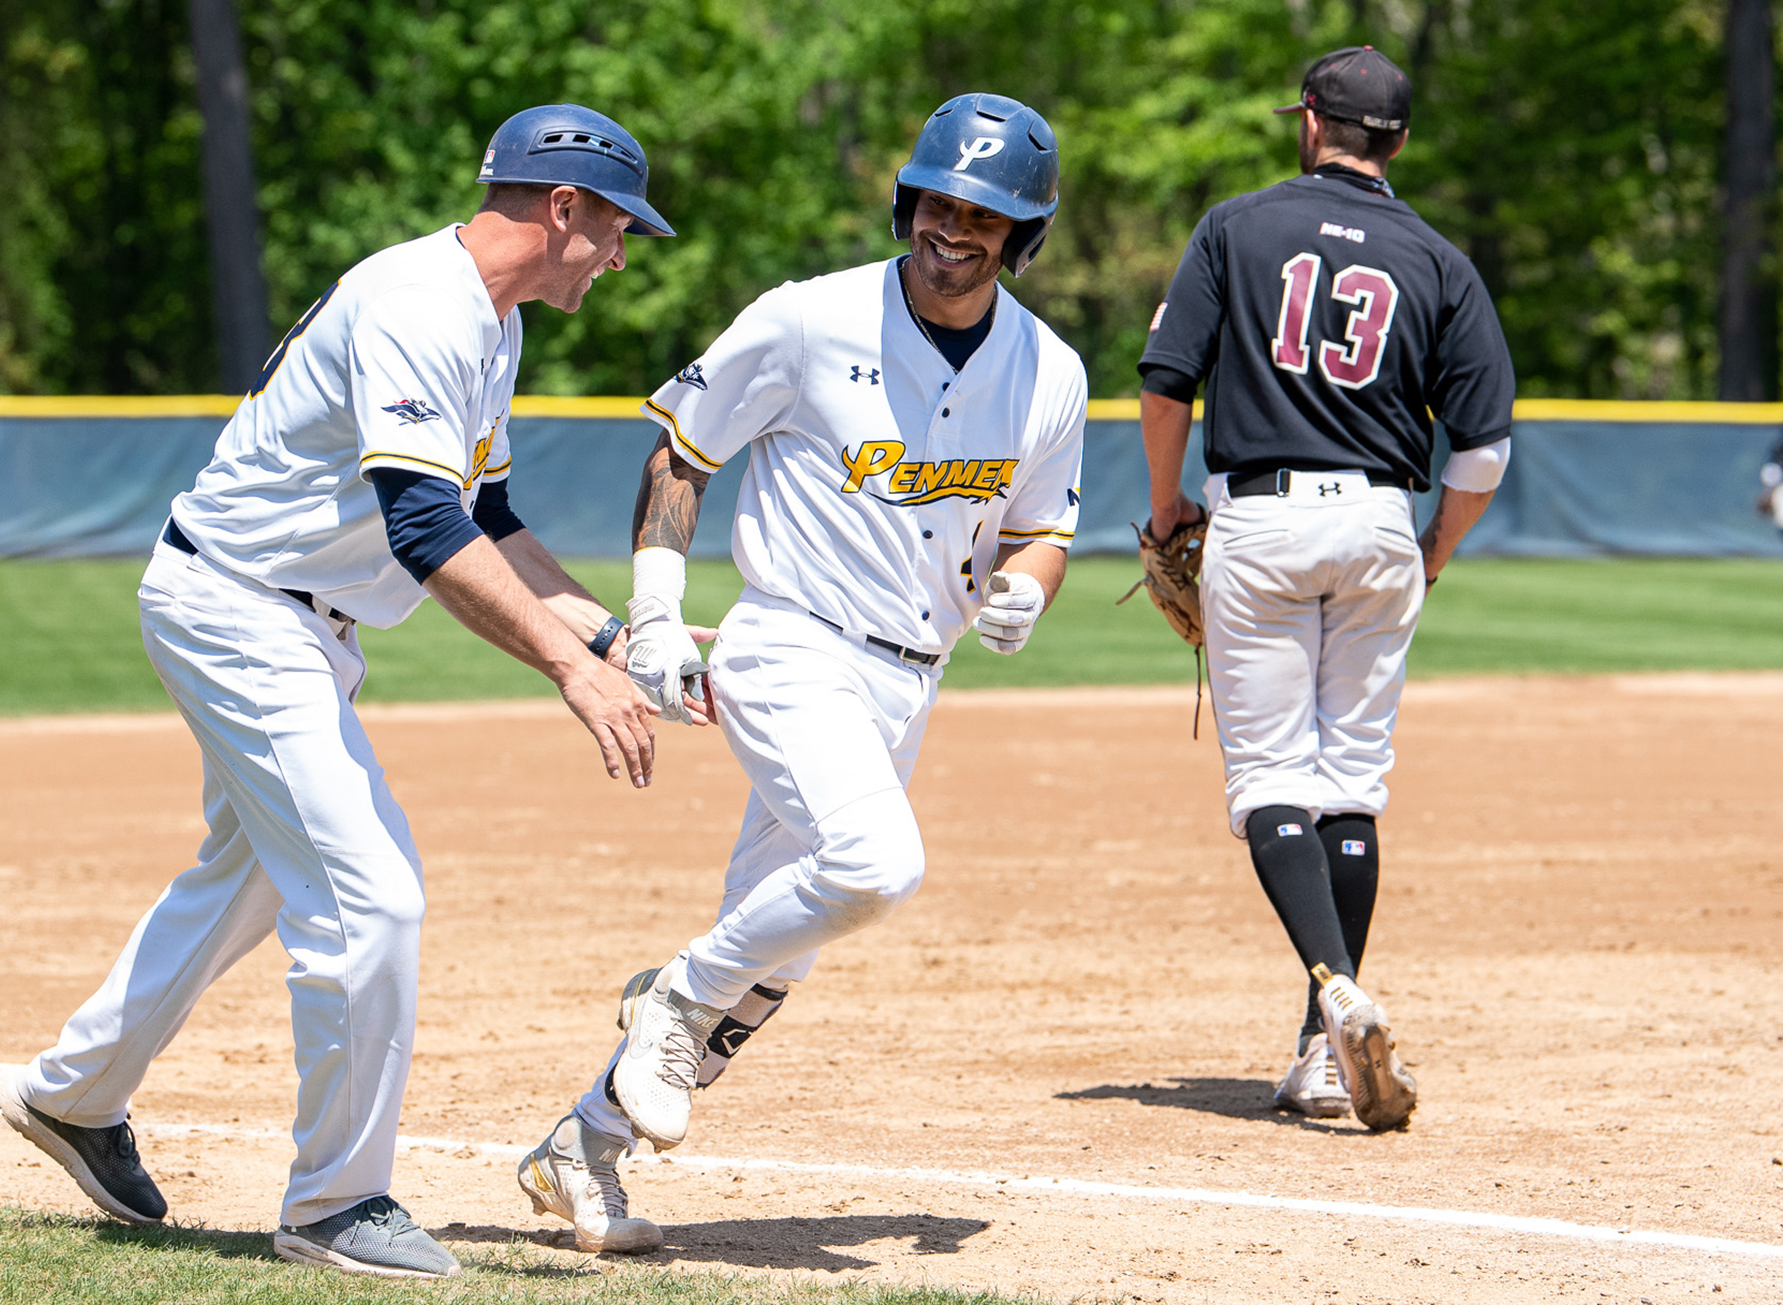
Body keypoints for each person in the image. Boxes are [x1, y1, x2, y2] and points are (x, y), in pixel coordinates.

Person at [0, 105, 673, 1278]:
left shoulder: (492, 320)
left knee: (250, 878)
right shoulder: (419, 304)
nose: (619, 255)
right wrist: (568, 666)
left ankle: (72, 1096)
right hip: (242, 608)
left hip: (291, 620)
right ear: (562, 207)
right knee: (370, 896)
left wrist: (613, 637)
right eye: (617, 227)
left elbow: (488, 516)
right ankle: (335, 1204)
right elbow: (425, 530)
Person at [513, 93, 1087, 1252]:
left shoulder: (1049, 371)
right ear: (905, 201)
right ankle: (671, 995)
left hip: (907, 680)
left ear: (1020, 235)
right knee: (874, 866)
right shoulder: (805, 319)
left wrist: (1027, 587)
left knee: (776, 959)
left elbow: (1041, 528)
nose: (952, 227)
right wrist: (655, 613)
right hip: (791, 646)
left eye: (983, 214)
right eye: (935, 201)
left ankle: (582, 1150)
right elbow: (682, 453)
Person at [1136, 47, 1515, 1131]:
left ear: (1309, 122)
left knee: (1269, 783)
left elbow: (1166, 386)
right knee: (1350, 783)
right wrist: (1432, 551)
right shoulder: (1439, 260)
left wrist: (1165, 513)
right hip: (1379, 521)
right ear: (1398, 141)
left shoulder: (1234, 226)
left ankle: (1333, 991)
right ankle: (1318, 1051)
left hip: (1259, 516)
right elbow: (1482, 452)